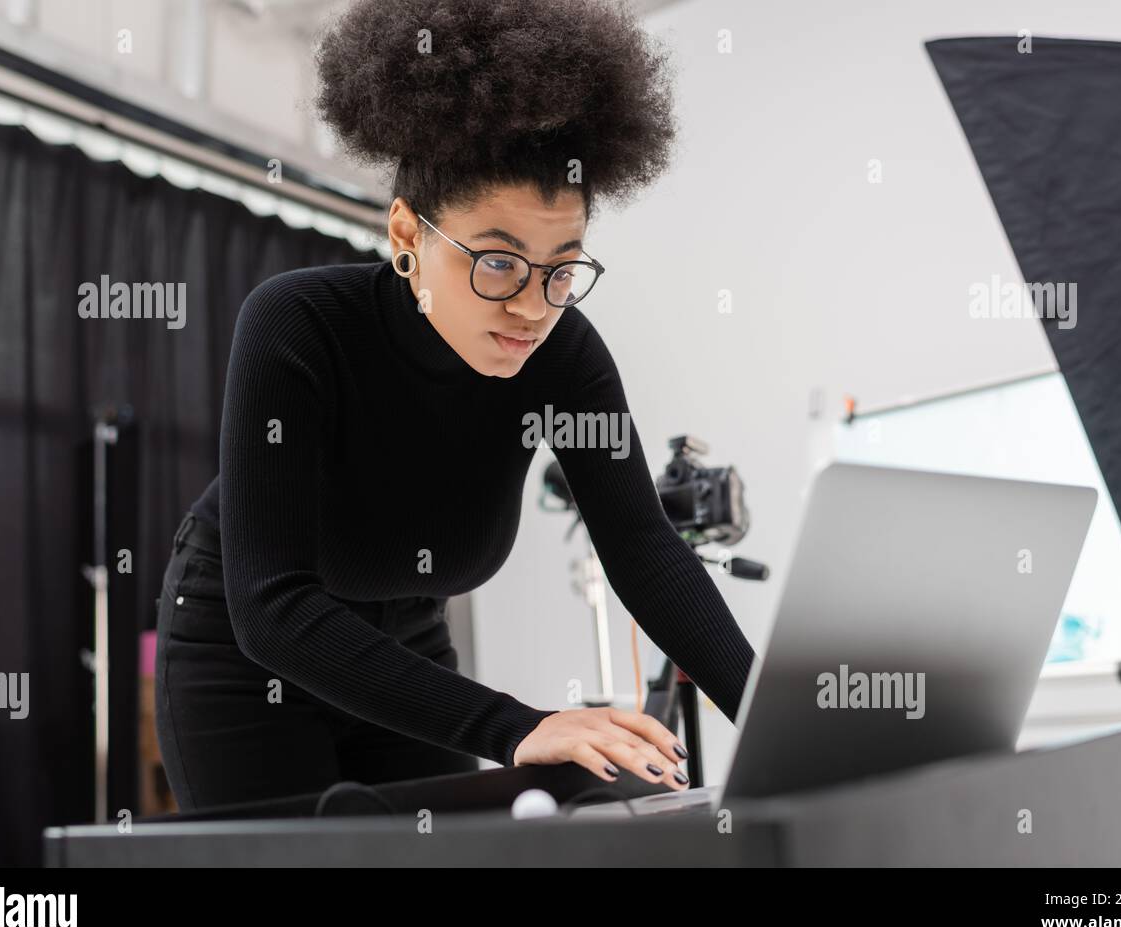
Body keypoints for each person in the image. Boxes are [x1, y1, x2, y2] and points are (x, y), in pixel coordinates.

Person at [154, 0, 756, 811]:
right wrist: (513, 725)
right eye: (499, 264)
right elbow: (271, 604)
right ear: (407, 234)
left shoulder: (566, 357)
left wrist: (770, 715)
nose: (534, 307)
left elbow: (645, 551)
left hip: (405, 640)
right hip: (241, 649)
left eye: (562, 269)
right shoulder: (298, 324)